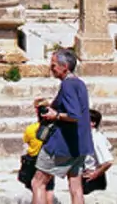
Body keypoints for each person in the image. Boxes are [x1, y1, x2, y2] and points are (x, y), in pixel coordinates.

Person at [31, 49, 92, 204]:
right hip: (80, 143)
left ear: (65, 66)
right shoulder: (79, 83)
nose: (51, 69)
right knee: (76, 187)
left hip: (62, 145)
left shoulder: (67, 85)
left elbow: (74, 114)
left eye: (53, 66)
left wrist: (55, 115)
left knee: (38, 182)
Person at [82, 109, 112, 194]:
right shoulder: (87, 137)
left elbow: (108, 161)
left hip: (93, 179)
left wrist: (95, 173)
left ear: (92, 123)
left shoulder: (96, 138)